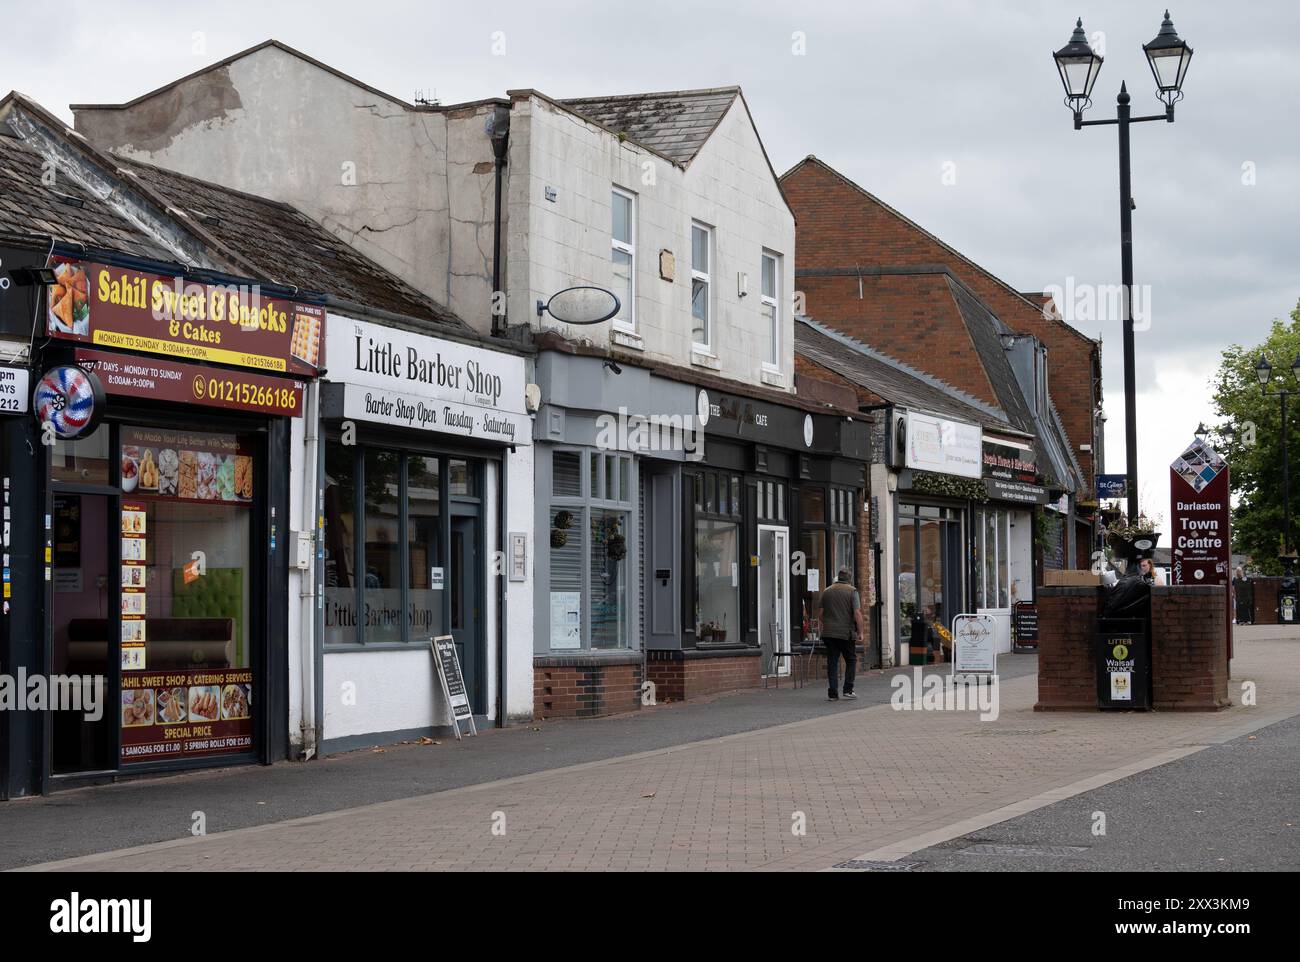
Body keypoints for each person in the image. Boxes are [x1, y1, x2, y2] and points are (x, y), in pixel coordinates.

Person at [819, 567, 863, 701]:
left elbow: (821, 614)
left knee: (832, 662)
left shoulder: (826, 591)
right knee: (851, 660)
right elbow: (857, 614)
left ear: (838, 577)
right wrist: (861, 632)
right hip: (845, 633)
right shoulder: (852, 591)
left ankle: (833, 693)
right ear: (849, 579)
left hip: (829, 633)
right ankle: (848, 690)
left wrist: (829, 622)